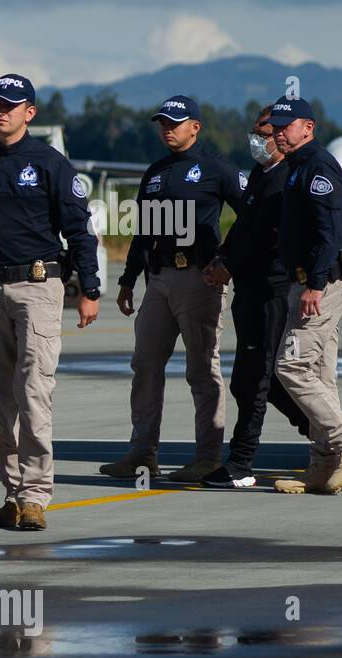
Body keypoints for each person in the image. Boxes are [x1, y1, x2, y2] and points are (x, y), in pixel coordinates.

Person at [0, 74, 100, 531]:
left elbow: (79, 228)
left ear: (30, 112)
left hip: (37, 288)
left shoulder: (50, 164)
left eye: (10, 105)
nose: (1, 111)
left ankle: (35, 495)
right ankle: (12, 494)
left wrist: (89, 289)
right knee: (3, 398)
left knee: (34, 391)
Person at [101, 95, 245, 483]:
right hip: (159, 278)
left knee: (201, 369)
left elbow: (253, 215)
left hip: (200, 278)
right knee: (145, 365)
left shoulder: (216, 168)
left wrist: (228, 260)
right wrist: (129, 279)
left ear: (195, 127)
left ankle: (208, 457)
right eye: (162, 123)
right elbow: (143, 230)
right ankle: (142, 453)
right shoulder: (156, 172)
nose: (167, 129)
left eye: (174, 123)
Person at [200, 105, 310, 487]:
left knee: (256, 379)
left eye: (266, 134)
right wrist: (223, 258)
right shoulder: (260, 178)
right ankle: (323, 433)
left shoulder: (288, 180)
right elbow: (243, 229)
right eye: (257, 133)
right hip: (249, 289)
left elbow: (271, 240)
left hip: (272, 291)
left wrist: (232, 265)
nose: (260, 140)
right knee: (267, 379)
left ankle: (241, 464)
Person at [268, 96, 342, 494]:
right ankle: (324, 468)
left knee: (291, 367)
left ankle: (340, 440)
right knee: (318, 374)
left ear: (308, 128)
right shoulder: (298, 167)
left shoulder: (318, 168)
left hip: (321, 284)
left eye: (286, 125)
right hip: (308, 282)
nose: (278, 132)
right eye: (275, 126)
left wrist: (314, 283)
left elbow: (331, 232)